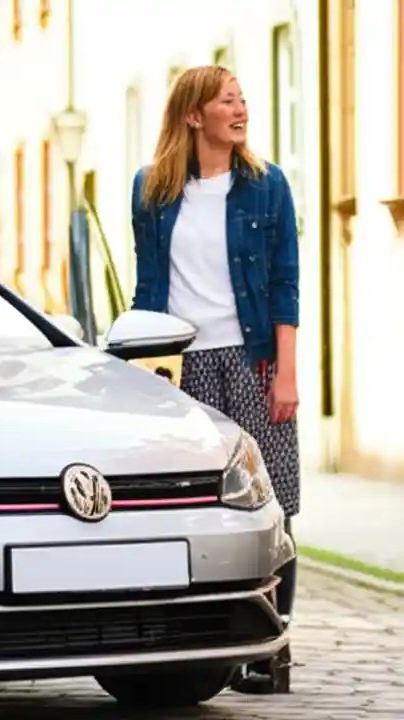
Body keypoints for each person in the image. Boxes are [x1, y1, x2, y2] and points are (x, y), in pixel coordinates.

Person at [130, 65, 300, 694]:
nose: (242, 108)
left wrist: (286, 371)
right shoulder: (151, 190)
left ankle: (269, 651)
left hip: (253, 361)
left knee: (272, 502)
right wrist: (141, 367)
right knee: (183, 507)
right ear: (194, 115)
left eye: (243, 99)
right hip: (182, 364)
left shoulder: (266, 185)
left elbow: (285, 282)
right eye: (228, 100)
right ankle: (186, 647)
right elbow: (147, 286)